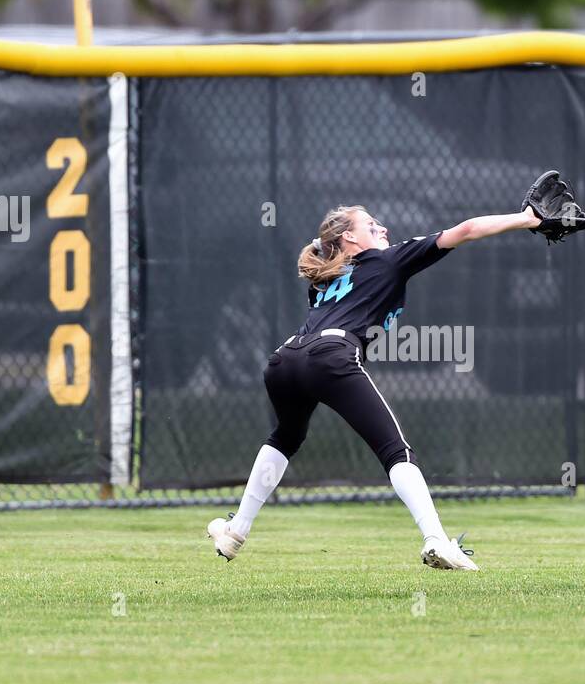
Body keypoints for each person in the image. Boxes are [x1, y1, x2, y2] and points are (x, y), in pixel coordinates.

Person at [207, 202, 544, 571]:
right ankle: (436, 540)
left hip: (284, 360)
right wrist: (525, 218)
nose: (383, 228)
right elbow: (464, 231)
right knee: (395, 451)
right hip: (330, 356)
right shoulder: (389, 260)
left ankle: (236, 530)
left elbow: (326, 253)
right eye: (371, 224)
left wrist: (328, 242)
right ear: (349, 236)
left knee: (285, 437)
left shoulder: (326, 277)